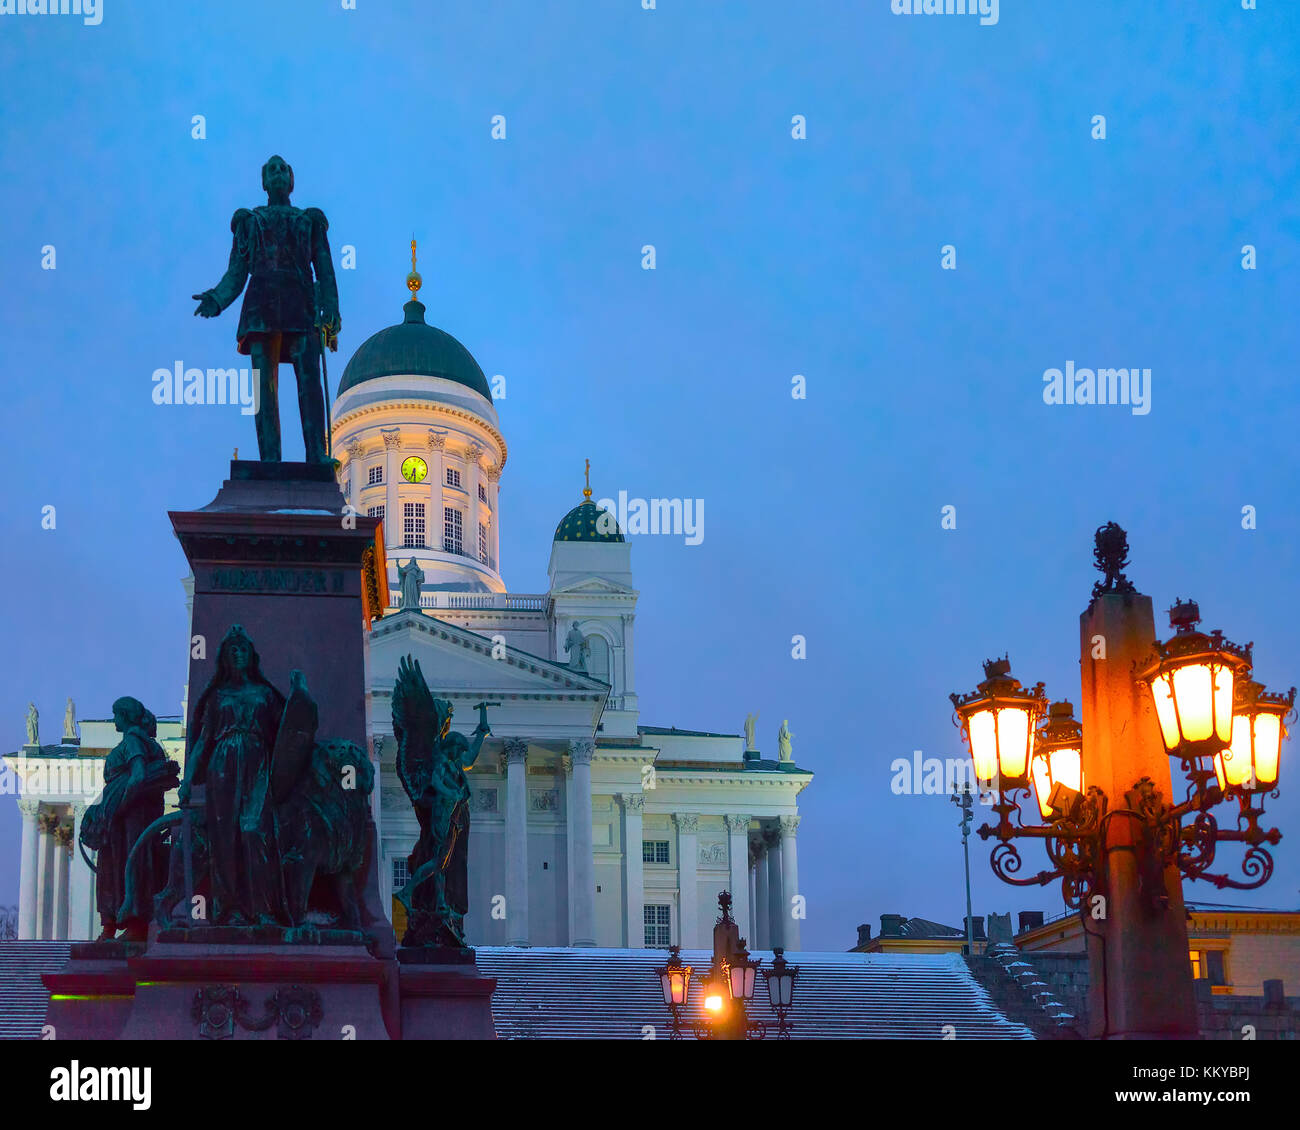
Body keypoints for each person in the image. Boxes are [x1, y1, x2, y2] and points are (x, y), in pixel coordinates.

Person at [179, 625, 286, 925]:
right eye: (232, 650)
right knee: (224, 838)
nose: (238, 653)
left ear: (252, 655)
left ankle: (263, 908)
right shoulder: (217, 696)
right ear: (224, 659)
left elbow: (287, 733)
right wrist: (188, 780)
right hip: (223, 764)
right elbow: (203, 740)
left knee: (255, 831)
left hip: (257, 762)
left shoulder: (266, 694)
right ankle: (230, 909)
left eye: (242, 649)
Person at [79, 697, 177, 941]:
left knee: (118, 867)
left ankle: (121, 924)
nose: (114, 719)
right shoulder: (149, 744)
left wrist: (118, 807)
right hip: (136, 818)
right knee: (134, 865)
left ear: (125, 716)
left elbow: (138, 776)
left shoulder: (134, 741)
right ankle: (124, 923)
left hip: (127, 820)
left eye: (116, 715)